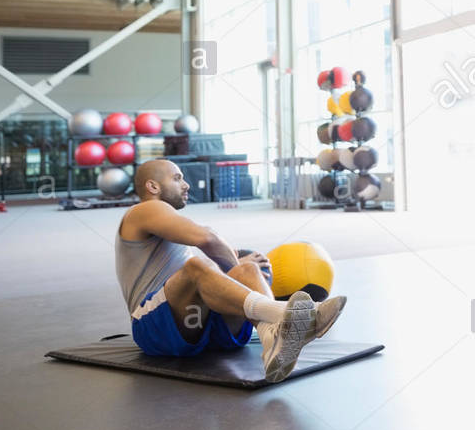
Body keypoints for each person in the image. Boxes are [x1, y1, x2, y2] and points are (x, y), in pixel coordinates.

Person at [116, 159, 346, 382]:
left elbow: (211, 260)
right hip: (153, 330)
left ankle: (272, 338)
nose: (186, 185)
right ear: (153, 186)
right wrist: (235, 273)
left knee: (247, 270)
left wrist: (241, 272)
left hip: (197, 327)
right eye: (177, 178)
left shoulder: (165, 221)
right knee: (199, 266)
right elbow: (207, 238)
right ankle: (281, 313)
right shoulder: (145, 209)